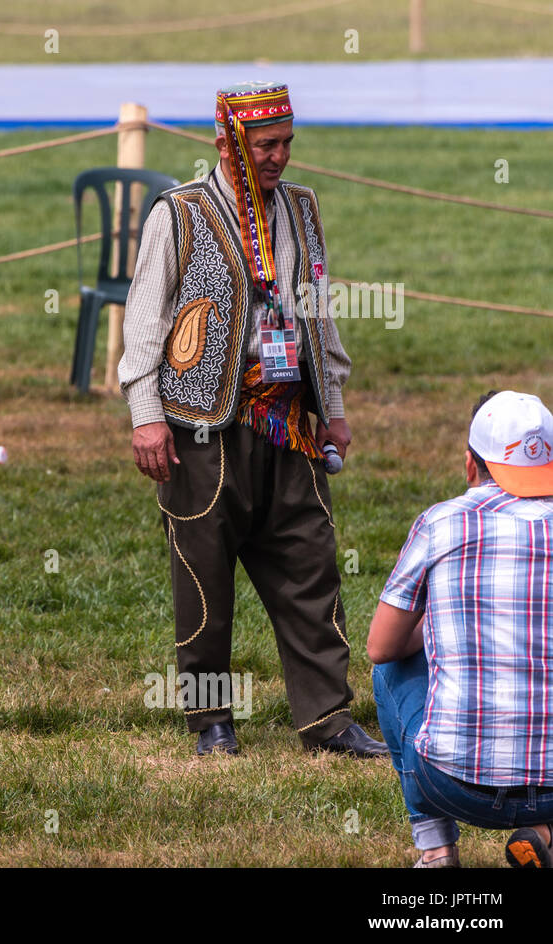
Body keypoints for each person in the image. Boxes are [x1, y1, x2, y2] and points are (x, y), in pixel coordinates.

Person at [118, 81, 387, 758]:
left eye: (286, 143)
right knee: (203, 577)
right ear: (227, 142)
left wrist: (334, 408)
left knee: (311, 568)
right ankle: (211, 720)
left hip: (289, 424)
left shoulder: (303, 207)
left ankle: (328, 718)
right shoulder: (178, 213)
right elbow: (144, 322)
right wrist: (146, 415)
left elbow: (318, 310)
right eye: (265, 144)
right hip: (201, 427)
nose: (279, 156)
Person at [369, 390, 553, 868]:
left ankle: (436, 849)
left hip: (450, 784)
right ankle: (545, 830)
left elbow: (380, 647)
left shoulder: (441, 522)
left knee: (388, 670)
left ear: (470, 464)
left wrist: (436, 626)